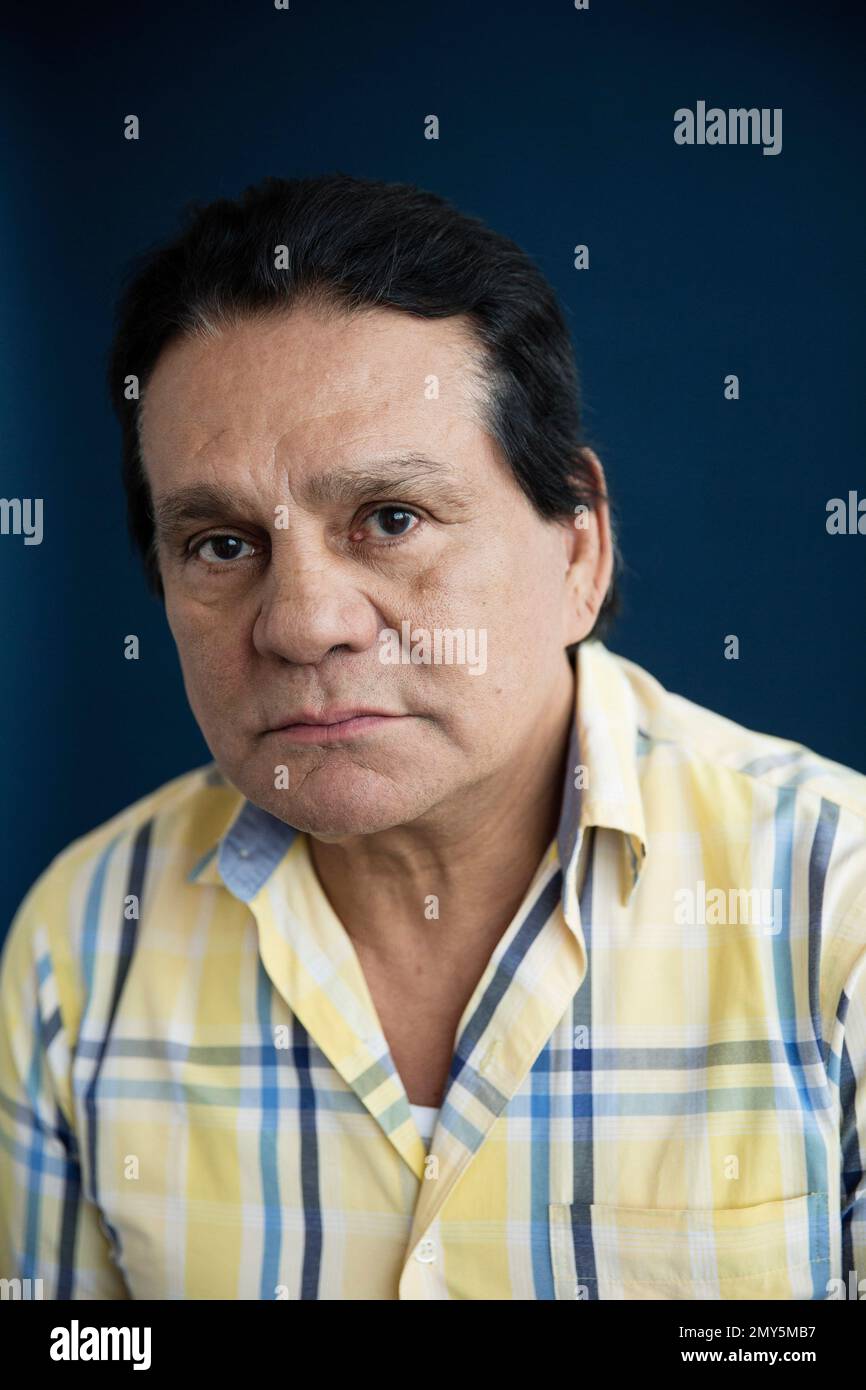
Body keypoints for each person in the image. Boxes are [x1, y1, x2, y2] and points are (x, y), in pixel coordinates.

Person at [1, 174, 864, 1300]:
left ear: (576, 552)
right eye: (219, 543)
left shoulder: (835, 909)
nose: (305, 622)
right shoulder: (80, 948)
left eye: (392, 519)